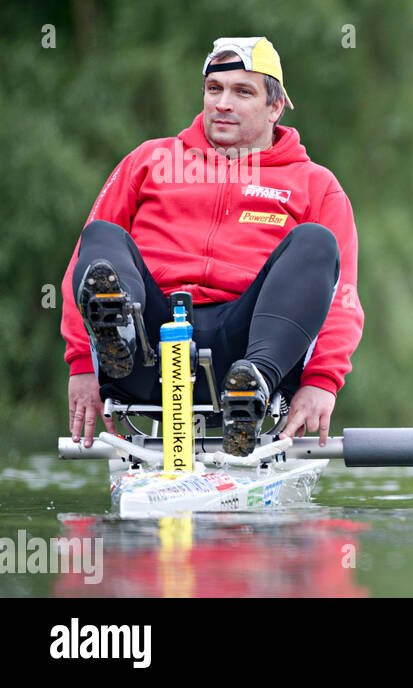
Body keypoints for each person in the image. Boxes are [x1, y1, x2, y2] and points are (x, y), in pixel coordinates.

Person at [61, 36, 364, 455]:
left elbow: (342, 296)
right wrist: (81, 365)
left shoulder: (317, 185)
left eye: (242, 92)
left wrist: (321, 382)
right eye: (214, 89)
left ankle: (249, 387)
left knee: (316, 242)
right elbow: (82, 264)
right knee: (101, 236)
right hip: (148, 353)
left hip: (246, 347)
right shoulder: (148, 160)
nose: (223, 103)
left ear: (275, 107)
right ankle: (117, 337)